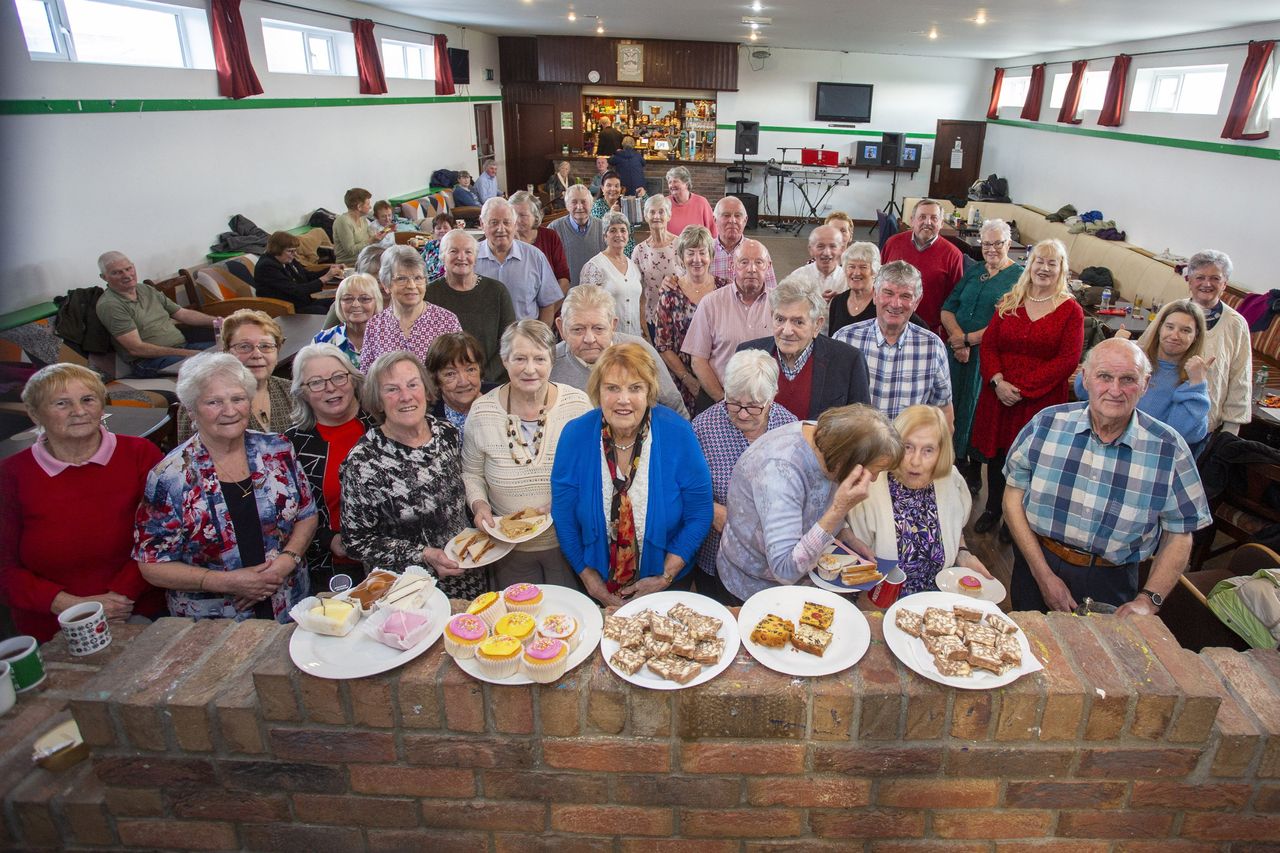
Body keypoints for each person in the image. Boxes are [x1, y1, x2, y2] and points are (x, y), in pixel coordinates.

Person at [1004, 338, 1210, 614]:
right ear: (1085, 378)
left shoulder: (1169, 449)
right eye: (1104, 377)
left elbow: (1180, 533)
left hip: (1111, 580)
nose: (1115, 390)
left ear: (1145, 385)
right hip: (1037, 562)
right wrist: (1042, 573)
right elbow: (1013, 497)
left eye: (1128, 379)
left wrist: (1149, 600)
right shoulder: (1046, 424)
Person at [135, 352, 316, 622]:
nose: (229, 411)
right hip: (215, 622)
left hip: (290, 603)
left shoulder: (277, 449)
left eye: (238, 399)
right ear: (190, 409)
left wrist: (285, 562)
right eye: (214, 402)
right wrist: (226, 582)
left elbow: (306, 513)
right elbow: (151, 564)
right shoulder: (170, 476)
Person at [0, 364, 164, 642]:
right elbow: (4, 567)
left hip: (136, 609)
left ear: (102, 406)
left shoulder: (140, 454)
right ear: (34, 413)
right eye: (61, 403)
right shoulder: (10, 474)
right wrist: (67, 604)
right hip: (52, 625)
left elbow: (163, 535)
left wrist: (122, 594)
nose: (78, 411)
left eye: (88, 400)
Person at [552, 344, 712, 607]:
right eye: (612, 388)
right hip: (597, 585)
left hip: (668, 585)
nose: (623, 399)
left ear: (649, 392)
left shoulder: (678, 433)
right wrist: (590, 579)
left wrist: (665, 576)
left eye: (635, 388)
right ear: (597, 391)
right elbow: (564, 515)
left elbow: (700, 513)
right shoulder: (575, 435)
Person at [716, 404, 903, 603]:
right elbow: (784, 570)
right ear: (847, 459)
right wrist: (839, 510)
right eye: (875, 470)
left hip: (802, 586)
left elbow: (815, 506)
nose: (873, 479)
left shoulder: (830, 438)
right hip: (754, 590)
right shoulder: (780, 472)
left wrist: (846, 536)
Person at [341, 352, 486, 599]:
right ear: (377, 401)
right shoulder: (363, 462)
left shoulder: (447, 433)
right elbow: (356, 541)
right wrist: (423, 554)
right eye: (392, 389)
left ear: (427, 390)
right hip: (406, 589)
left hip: (465, 573)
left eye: (412, 384)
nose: (406, 396)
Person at [462, 321, 591, 588]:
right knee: (517, 619)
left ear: (552, 361)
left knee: (565, 620)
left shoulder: (578, 405)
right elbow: (472, 472)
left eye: (539, 358)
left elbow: (593, 469)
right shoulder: (482, 411)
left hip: (568, 542)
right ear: (504, 360)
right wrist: (479, 506)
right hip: (507, 549)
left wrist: (568, 501)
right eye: (519, 358)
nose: (530, 369)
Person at [971, 238, 1084, 541]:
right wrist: (997, 381)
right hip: (999, 394)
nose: (1044, 268)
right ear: (1029, 265)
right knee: (997, 459)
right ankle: (993, 508)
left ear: (1062, 269)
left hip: (1038, 401)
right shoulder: (1011, 299)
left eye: (1052, 263)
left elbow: (1067, 360)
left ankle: (1015, 520)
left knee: (1028, 462)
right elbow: (990, 344)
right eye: (1039, 261)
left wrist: (1021, 389)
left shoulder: (1071, 311)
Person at [845, 405, 992, 597]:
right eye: (908, 447)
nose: (915, 461)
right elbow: (857, 567)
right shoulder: (869, 489)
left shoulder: (951, 482)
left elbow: (956, 526)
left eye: (928, 450)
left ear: (941, 452)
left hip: (939, 603)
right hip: (881, 605)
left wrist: (963, 553)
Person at [691, 350, 798, 603]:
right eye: (734, 403)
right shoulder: (702, 428)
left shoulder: (790, 428)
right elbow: (681, 490)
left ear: (771, 398)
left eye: (752, 407)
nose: (741, 414)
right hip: (715, 556)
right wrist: (712, 510)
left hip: (771, 563)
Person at [938, 219, 1022, 491]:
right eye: (987, 244)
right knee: (951, 405)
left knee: (976, 412)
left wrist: (967, 340)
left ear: (1009, 244)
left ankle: (973, 470)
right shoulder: (973, 272)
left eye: (998, 243)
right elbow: (948, 308)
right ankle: (949, 462)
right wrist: (958, 342)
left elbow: (1008, 321)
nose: (992, 249)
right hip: (957, 351)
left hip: (987, 357)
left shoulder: (1019, 277)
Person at [285, 343, 373, 591]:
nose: (330, 388)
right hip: (331, 567)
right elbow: (284, 517)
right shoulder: (291, 445)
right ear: (302, 391)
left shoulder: (383, 424)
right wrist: (327, 539)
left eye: (338, 377)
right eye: (316, 382)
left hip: (392, 559)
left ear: (353, 379)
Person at [1136, 249, 1252, 435]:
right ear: (1189, 281)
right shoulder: (1171, 310)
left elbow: (1241, 378)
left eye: (1215, 278)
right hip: (1158, 420)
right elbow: (1141, 353)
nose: (1207, 284)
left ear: (1224, 284)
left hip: (1207, 425)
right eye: (1200, 277)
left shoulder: (1236, 323)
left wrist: (1232, 427)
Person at [1078, 299, 1212, 453]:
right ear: (1159, 328)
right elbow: (1081, 390)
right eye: (1169, 327)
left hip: (1149, 454)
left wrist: (1197, 385)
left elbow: (1182, 434)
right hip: (1100, 440)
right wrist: (1110, 349)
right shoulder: (1134, 357)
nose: (1175, 335)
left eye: (1185, 330)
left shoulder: (1194, 375)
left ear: (1196, 336)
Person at [833, 261, 954, 425]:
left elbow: (943, 410)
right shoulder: (845, 339)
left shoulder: (932, 347)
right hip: (857, 447)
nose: (895, 304)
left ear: (917, 302)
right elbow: (829, 406)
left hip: (907, 448)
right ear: (875, 295)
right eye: (888, 293)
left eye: (905, 296)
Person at [737, 274, 870, 420]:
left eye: (798, 322)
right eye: (780, 319)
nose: (786, 331)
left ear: (817, 325)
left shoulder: (849, 361)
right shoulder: (746, 355)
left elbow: (860, 426)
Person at [552, 285, 688, 417]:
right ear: (561, 327)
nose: (589, 339)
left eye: (598, 328)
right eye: (578, 329)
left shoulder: (639, 351)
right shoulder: (548, 364)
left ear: (613, 325)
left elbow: (674, 406)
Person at [682, 239, 775, 410]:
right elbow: (698, 360)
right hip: (717, 399)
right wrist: (722, 401)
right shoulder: (711, 303)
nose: (751, 269)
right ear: (732, 266)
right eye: (744, 262)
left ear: (768, 266)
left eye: (759, 262)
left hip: (766, 405)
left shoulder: (780, 306)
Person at [94, 251, 218, 378]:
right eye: (117, 272)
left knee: (231, 352)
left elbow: (182, 314)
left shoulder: (145, 289)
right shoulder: (111, 305)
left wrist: (221, 321)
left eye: (128, 268)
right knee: (210, 368)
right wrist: (188, 353)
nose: (127, 275)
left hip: (181, 347)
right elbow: (136, 348)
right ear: (104, 277)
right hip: (149, 361)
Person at [177, 309, 294, 442]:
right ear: (226, 351)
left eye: (265, 346)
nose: (257, 354)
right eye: (244, 346)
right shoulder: (198, 400)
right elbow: (189, 456)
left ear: (277, 350)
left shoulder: (293, 392)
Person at [424, 229, 517, 382]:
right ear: (442, 256)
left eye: (468, 251)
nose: (462, 257)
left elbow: (509, 341)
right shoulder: (429, 294)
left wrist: (482, 378)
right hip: (447, 385)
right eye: (453, 251)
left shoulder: (497, 291)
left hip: (494, 382)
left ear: (475, 257)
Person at [654, 226, 728, 412]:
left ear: (710, 256)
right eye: (690, 253)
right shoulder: (670, 293)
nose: (697, 260)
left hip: (721, 380)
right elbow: (663, 346)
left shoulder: (725, 289)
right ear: (681, 257)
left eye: (702, 253)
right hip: (683, 383)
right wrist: (689, 380)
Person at [360, 245, 463, 370]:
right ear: (386, 285)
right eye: (402, 279)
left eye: (418, 278)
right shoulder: (375, 325)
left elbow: (459, 371)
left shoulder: (447, 321)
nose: (411, 285)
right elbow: (367, 376)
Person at [881, 198, 964, 332]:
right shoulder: (892, 244)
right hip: (889, 323)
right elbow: (879, 282)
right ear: (912, 220)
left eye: (934, 218)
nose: (928, 222)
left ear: (942, 223)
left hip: (929, 329)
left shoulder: (953, 255)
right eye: (922, 217)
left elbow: (955, 299)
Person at [474, 198, 562, 325]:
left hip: (525, 341)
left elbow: (547, 305)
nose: (501, 229)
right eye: (494, 222)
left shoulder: (535, 257)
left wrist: (539, 341)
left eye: (507, 222)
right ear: (482, 224)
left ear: (515, 225)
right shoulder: (470, 258)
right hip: (482, 341)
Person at [581, 212, 645, 336]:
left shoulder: (633, 266)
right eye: (613, 230)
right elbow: (587, 308)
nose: (619, 235)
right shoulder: (594, 267)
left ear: (628, 234)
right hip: (608, 338)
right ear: (605, 236)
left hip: (635, 337)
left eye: (623, 230)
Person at [426, 332, 495, 439]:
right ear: (436, 379)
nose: (463, 382)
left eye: (470, 370)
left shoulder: (501, 398)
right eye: (450, 374)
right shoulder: (428, 417)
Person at [253, 231, 342, 314]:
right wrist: (324, 278)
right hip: (285, 308)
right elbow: (295, 290)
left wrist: (329, 270)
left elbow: (307, 275)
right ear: (277, 250)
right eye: (290, 251)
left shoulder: (285, 259)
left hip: (301, 301)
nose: (294, 254)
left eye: (295, 250)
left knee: (339, 302)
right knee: (323, 310)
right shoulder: (267, 267)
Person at [632, 194, 679, 339]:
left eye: (661, 211)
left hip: (680, 314)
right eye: (652, 212)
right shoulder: (639, 251)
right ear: (646, 216)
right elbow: (637, 290)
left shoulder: (681, 245)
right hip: (653, 316)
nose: (656, 216)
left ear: (669, 215)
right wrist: (640, 318)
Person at [312, 273, 382, 369]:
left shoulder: (393, 338)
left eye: (365, 298)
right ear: (339, 303)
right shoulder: (322, 341)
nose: (356, 304)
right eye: (348, 299)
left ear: (376, 302)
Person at [510, 190, 571, 292]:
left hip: (550, 302)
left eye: (523, 215)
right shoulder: (505, 240)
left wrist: (551, 307)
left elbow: (563, 278)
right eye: (513, 215)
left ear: (536, 216)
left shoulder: (550, 236)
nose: (517, 220)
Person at [709, 196, 774, 287]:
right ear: (715, 220)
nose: (732, 220)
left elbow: (771, 292)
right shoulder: (704, 252)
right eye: (726, 215)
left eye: (737, 215)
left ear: (745, 220)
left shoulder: (759, 251)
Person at [550, 185, 606, 288]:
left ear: (591, 204)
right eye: (574, 202)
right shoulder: (554, 230)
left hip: (597, 295)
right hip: (566, 297)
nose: (579, 207)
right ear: (567, 206)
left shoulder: (604, 228)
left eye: (584, 202)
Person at [787, 225, 846, 300]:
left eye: (832, 246)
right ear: (810, 250)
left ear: (841, 249)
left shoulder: (848, 279)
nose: (826, 253)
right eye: (820, 246)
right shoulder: (797, 277)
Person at [590, 172, 636, 259]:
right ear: (602, 188)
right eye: (609, 185)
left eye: (616, 186)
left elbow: (632, 229)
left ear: (621, 188)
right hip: (609, 255)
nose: (613, 189)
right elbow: (599, 233)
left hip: (629, 252)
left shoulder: (624, 203)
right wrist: (611, 213)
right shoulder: (598, 206)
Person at [665, 166, 717, 238]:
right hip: (671, 247)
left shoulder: (701, 203)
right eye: (670, 182)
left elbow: (712, 230)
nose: (672, 185)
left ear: (686, 184)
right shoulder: (665, 203)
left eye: (675, 181)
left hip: (696, 248)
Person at [334, 188, 377, 265]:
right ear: (359, 206)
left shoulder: (363, 218)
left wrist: (380, 236)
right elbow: (351, 250)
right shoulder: (343, 221)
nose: (370, 207)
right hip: (350, 265)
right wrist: (371, 240)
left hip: (366, 260)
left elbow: (371, 238)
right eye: (368, 204)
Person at [421, 212, 455, 281]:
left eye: (445, 228)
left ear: (452, 229)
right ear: (433, 231)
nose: (442, 230)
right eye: (438, 228)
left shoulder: (455, 248)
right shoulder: (429, 245)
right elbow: (419, 263)